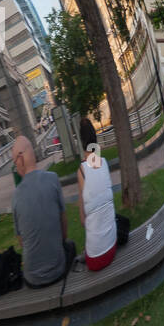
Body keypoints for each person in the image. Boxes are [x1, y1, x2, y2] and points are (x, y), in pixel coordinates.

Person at [11, 135, 75, 287]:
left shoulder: (16, 195)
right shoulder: (53, 178)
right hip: (58, 271)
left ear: (20, 159)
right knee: (70, 245)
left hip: (32, 278)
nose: (16, 166)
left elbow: (22, 242)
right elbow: (64, 231)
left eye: (14, 162)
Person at [76, 119, 117, 272]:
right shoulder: (105, 163)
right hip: (112, 245)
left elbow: (82, 221)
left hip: (95, 259)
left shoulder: (81, 171)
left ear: (81, 141)